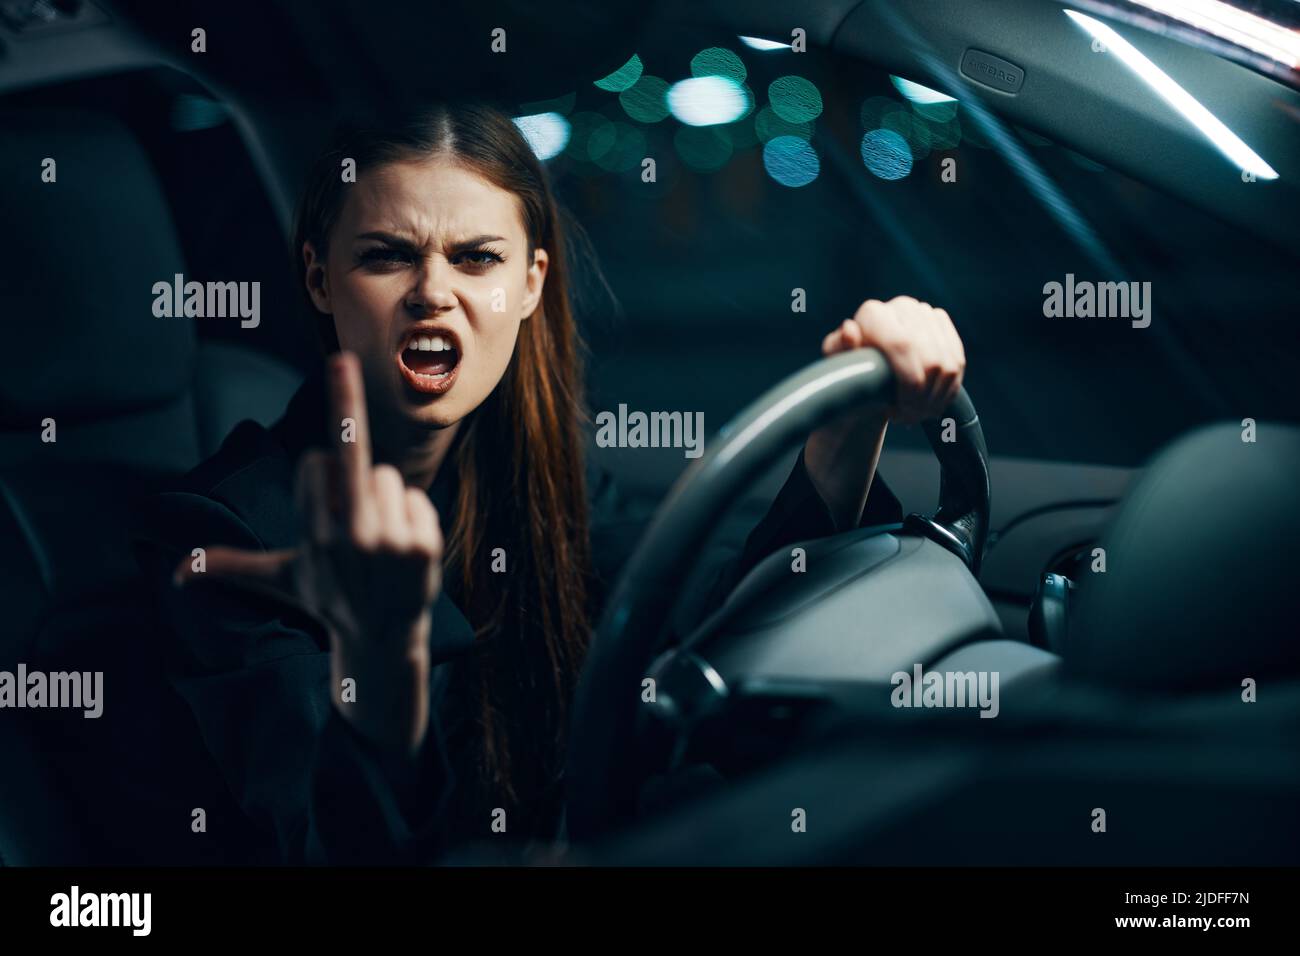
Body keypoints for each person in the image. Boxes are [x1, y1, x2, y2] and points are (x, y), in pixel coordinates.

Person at [133, 103, 966, 865]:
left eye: (476, 259)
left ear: (529, 284)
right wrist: (381, 664)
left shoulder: (535, 483)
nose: (433, 294)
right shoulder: (226, 533)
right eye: (387, 257)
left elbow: (717, 615)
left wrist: (848, 430)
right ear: (320, 279)